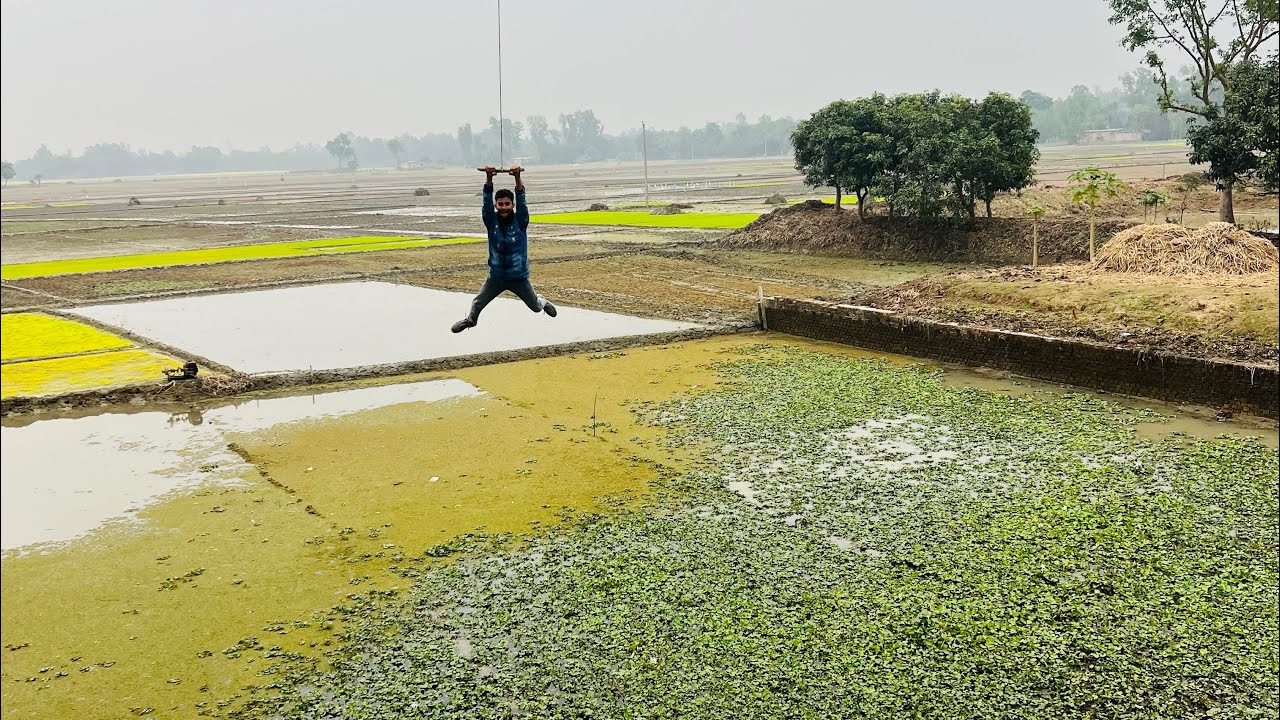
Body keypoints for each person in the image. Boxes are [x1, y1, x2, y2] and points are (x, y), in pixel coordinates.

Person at [451, 165, 557, 333]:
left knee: (535, 307)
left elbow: (522, 201)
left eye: (507, 203)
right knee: (478, 302)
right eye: (500, 204)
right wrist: (489, 178)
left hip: (519, 278)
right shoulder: (491, 223)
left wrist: (517, 177)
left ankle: (543, 302)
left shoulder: (521, 222)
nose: (504, 206)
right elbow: (486, 203)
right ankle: (470, 321)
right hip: (496, 277)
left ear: (512, 205)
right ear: (496, 206)